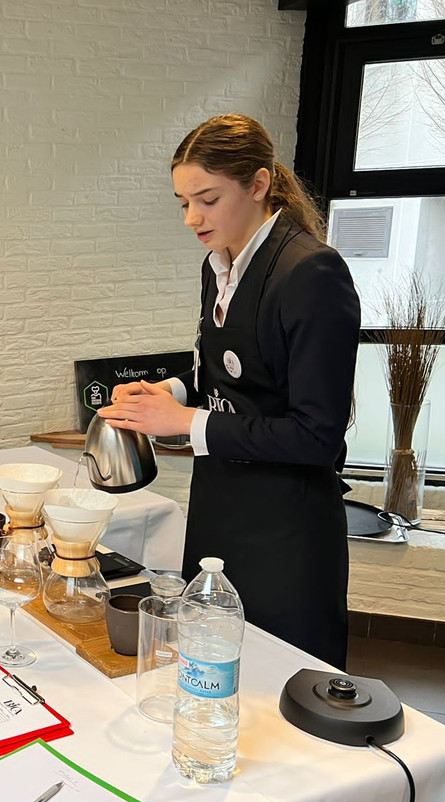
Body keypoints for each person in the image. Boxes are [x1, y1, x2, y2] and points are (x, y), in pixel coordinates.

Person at [99, 114, 360, 668]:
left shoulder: (310, 273)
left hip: (285, 533)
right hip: (220, 511)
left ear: (259, 184)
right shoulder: (216, 266)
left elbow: (318, 437)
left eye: (207, 199)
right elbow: (223, 379)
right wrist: (164, 394)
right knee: (210, 671)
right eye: (182, 202)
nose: (192, 217)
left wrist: (186, 422)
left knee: (280, 688)